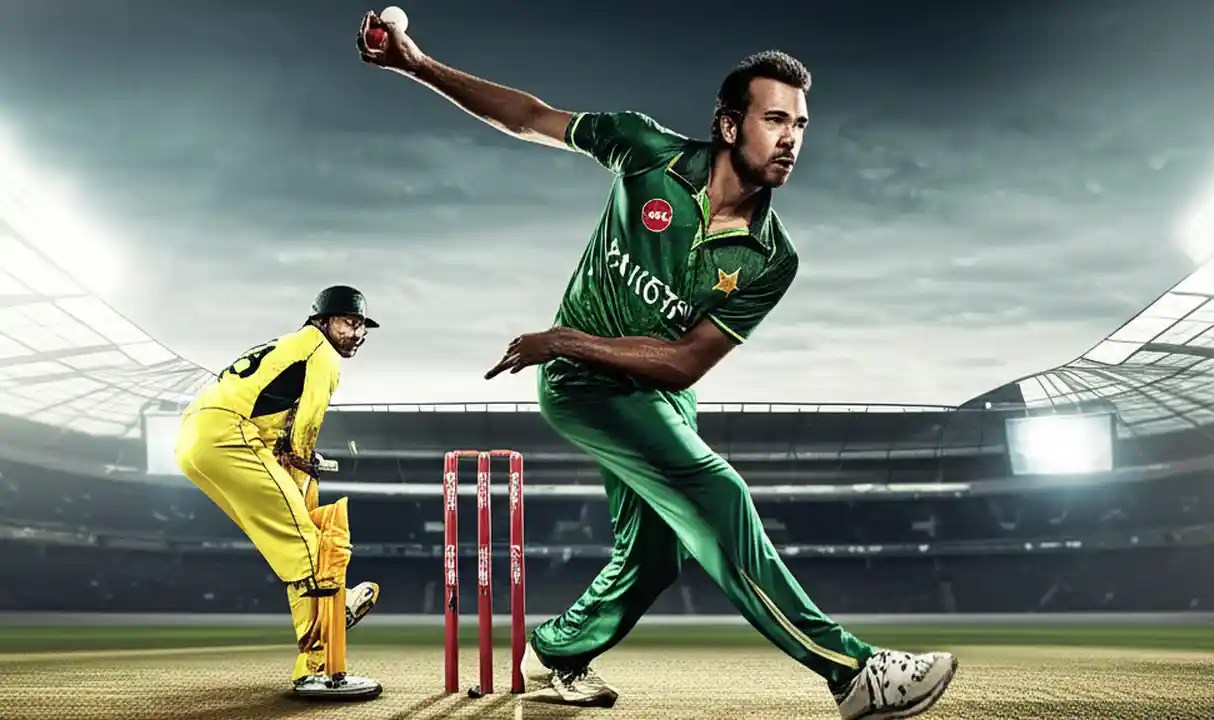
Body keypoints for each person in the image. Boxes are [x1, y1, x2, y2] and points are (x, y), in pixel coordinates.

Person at [357, 14, 958, 719]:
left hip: (647, 386)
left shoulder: (772, 257)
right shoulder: (645, 151)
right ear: (729, 126)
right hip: (585, 389)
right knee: (719, 495)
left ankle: (556, 651)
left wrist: (563, 339)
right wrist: (416, 64)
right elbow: (527, 116)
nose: (792, 138)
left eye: (800, 123)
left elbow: (685, 363)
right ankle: (850, 672)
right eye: (774, 119)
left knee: (656, 556)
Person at [173, 285, 384, 701]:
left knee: (291, 539)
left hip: (193, 439)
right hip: (229, 436)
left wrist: (296, 461)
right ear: (323, 321)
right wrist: (306, 463)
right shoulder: (320, 353)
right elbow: (305, 428)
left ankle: (320, 635)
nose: (357, 334)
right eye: (349, 323)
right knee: (306, 540)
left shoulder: (287, 345)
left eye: (362, 326)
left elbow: (270, 415)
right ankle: (323, 647)